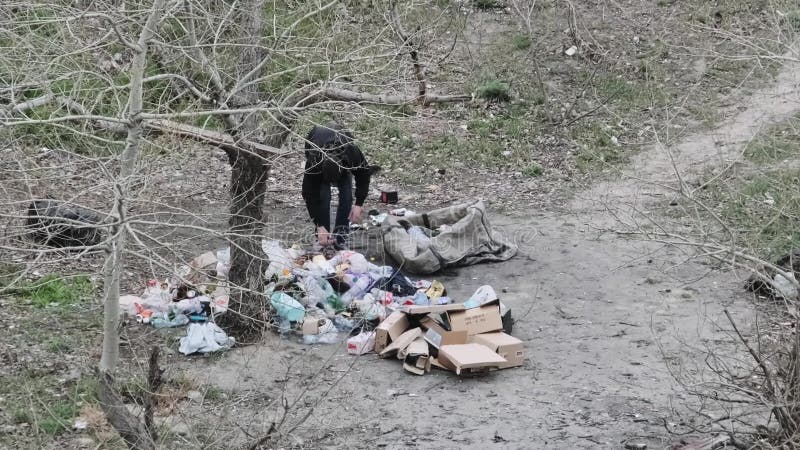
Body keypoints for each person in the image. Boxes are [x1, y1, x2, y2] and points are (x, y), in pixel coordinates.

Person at [301, 122, 371, 249]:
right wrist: (319, 224)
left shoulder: (351, 152)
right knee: (323, 196)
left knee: (347, 196)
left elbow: (364, 174)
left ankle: (340, 239)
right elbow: (309, 194)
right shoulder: (314, 161)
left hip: (342, 156)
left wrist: (359, 204)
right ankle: (323, 237)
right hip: (317, 146)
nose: (331, 184)